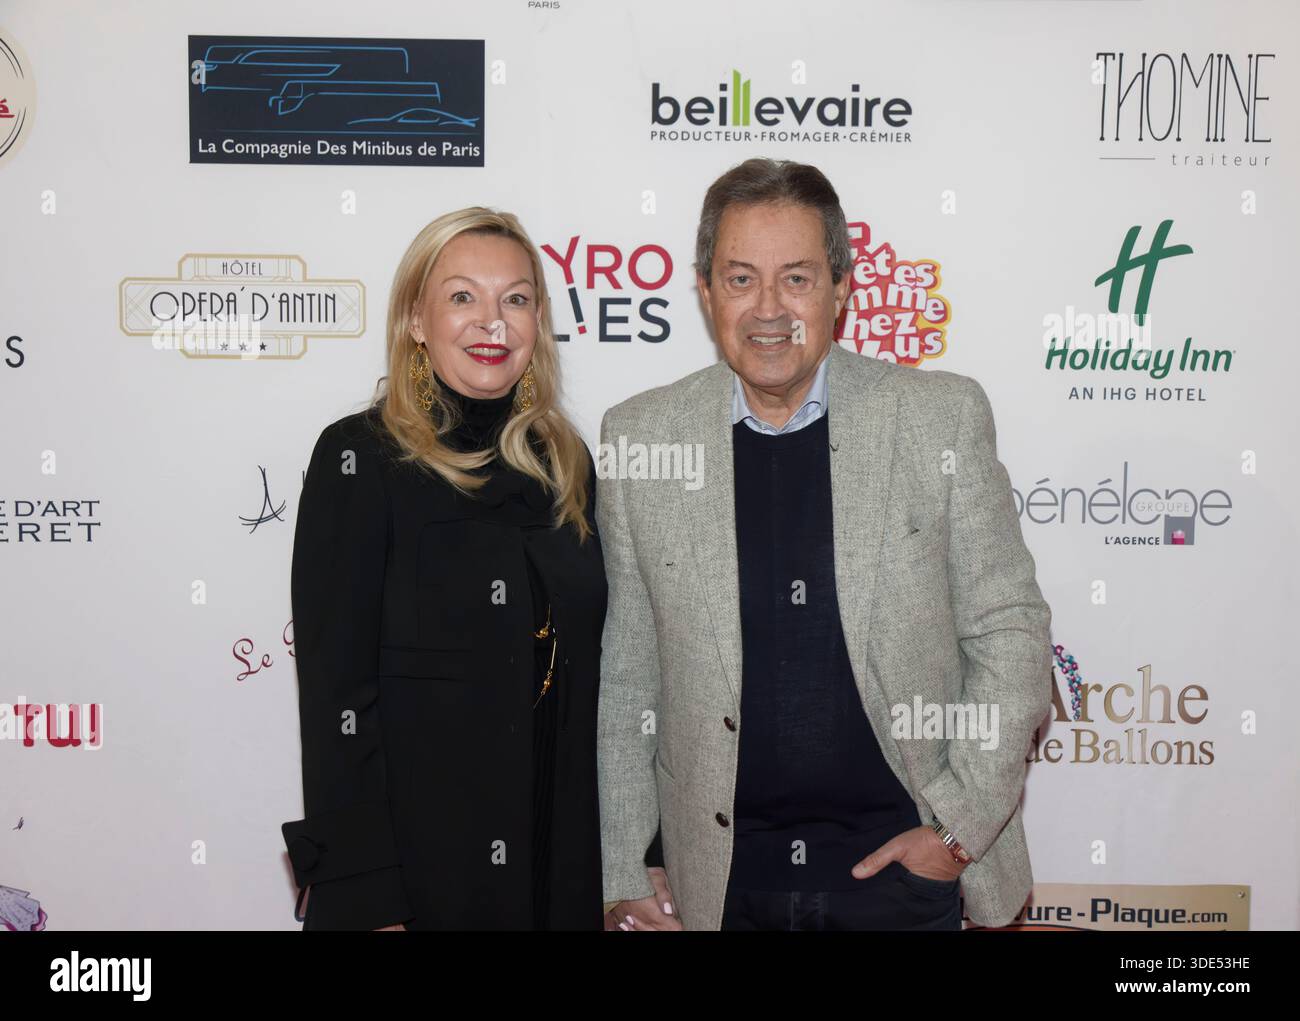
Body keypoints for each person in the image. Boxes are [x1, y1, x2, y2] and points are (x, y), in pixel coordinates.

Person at [597, 158, 1053, 931]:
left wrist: (953, 830)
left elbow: (1010, 636)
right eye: (740, 279)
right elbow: (628, 676)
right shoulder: (641, 439)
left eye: (797, 278)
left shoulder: (937, 418)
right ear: (705, 292)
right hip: (716, 889)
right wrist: (622, 863)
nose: (768, 309)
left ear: (843, 288)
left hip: (898, 882)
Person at [282, 207, 615, 929]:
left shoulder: (565, 462)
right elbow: (338, 699)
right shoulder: (361, 458)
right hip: (419, 871)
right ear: (416, 320)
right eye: (463, 296)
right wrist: (370, 895)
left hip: (554, 859)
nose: (493, 322)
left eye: (516, 299)